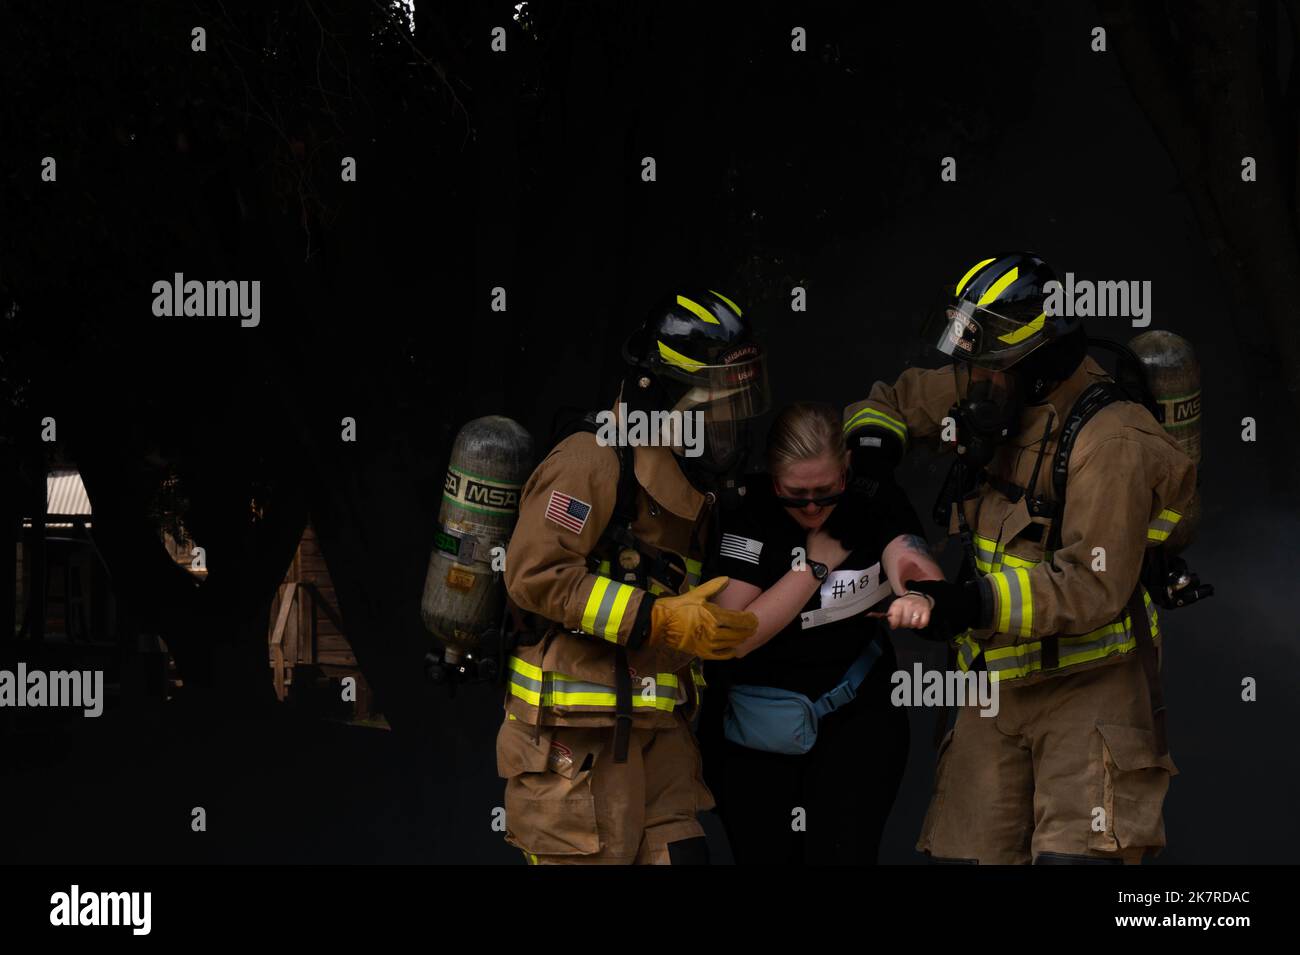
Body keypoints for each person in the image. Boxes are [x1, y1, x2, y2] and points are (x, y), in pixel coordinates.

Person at [843, 251, 1197, 864]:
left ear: (1039, 360)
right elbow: (890, 399)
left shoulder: (1110, 439)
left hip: (1090, 696)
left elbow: (1095, 583)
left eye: (990, 367)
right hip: (996, 688)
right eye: (970, 363)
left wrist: (969, 602)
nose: (973, 381)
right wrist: (873, 451)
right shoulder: (989, 382)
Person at [496, 289, 767, 864]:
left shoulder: (692, 490)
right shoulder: (591, 460)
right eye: (714, 408)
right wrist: (658, 619)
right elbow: (533, 574)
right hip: (577, 744)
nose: (726, 427)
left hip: (657, 731)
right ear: (662, 397)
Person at [699, 401, 945, 864]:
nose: (812, 506)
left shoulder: (871, 497)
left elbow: (908, 558)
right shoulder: (751, 511)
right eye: (797, 494)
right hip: (756, 731)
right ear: (773, 479)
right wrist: (816, 564)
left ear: (846, 469)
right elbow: (731, 635)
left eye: (826, 492)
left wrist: (921, 595)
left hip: (855, 718)